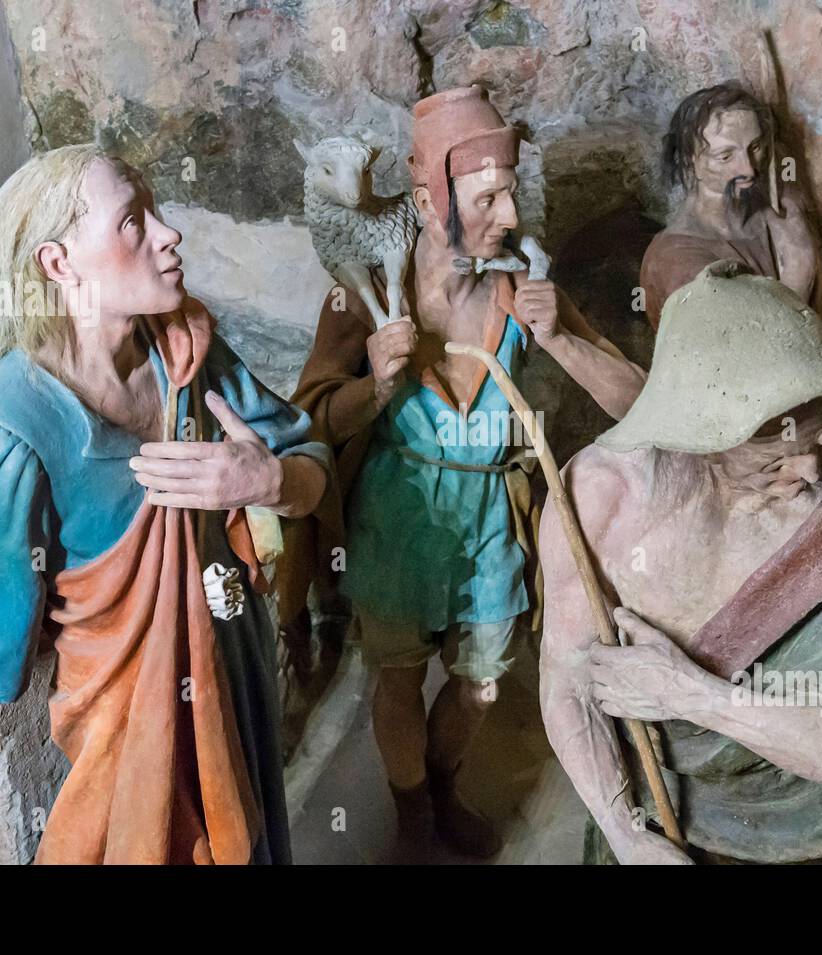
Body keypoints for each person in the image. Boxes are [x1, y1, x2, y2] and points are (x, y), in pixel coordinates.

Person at [0, 144, 330, 864]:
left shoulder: (188, 356)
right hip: (126, 740)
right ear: (57, 264)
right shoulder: (3, 440)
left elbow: (313, 465)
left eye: (156, 211)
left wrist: (268, 483)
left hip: (236, 673)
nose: (169, 234)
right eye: (134, 221)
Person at [281, 85, 647, 857]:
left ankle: (442, 783)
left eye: (510, 195)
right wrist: (372, 387)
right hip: (396, 516)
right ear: (427, 197)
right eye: (488, 199)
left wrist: (563, 342)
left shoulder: (521, 288)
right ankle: (409, 802)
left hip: (490, 519)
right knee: (395, 677)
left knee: (480, 682)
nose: (509, 218)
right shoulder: (364, 295)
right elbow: (308, 422)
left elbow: (636, 401)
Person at [539, 265, 822, 864]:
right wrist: (626, 836)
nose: (813, 472)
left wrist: (694, 695)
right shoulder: (602, 498)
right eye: (777, 458)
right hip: (657, 816)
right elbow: (568, 682)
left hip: (801, 824)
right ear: (698, 437)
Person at [641, 82, 822, 335]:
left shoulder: (773, 212)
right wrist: (798, 264)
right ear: (689, 163)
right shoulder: (675, 258)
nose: (748, 169)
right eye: (725, 156)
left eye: (755, 147)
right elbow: (758, 345)